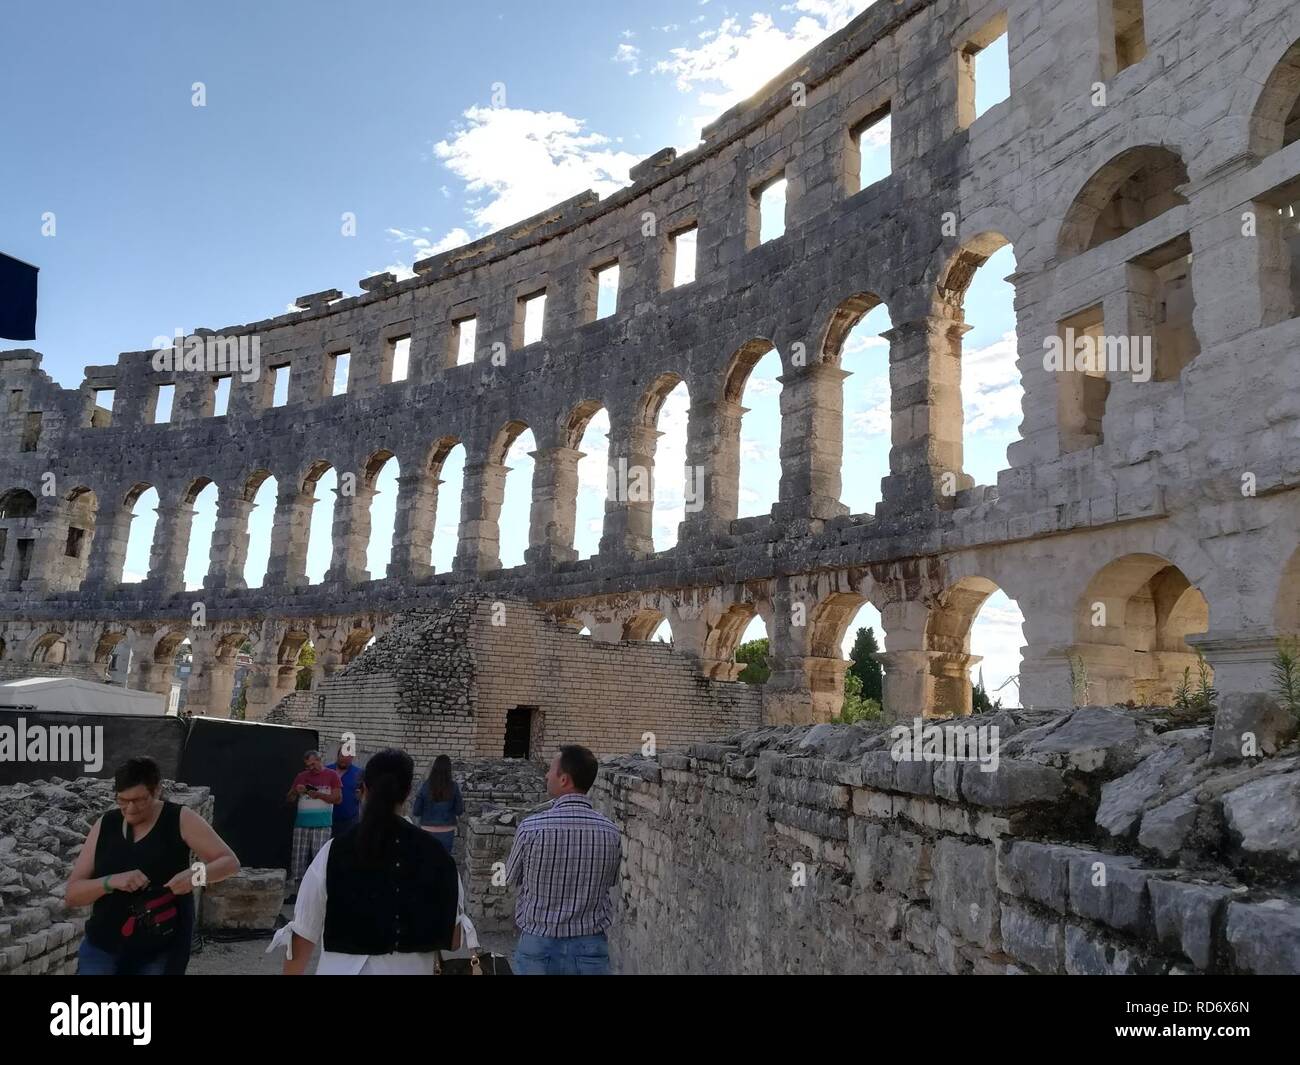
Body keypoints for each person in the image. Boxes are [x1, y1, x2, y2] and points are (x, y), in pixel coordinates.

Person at [269, 748, 461, 974]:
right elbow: (454, 938)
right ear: (407, 792)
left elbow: (303, 934)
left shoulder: (334, 852)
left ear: (365, 789)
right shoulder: (438, 856)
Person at [65, 756, 241, 975]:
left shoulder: (179, 818)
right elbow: (73, 894)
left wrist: (194, 876)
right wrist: (111, 882)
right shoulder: (106, 824)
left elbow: (229, 862)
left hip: (158, 948)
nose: (130, 809)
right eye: (122, 801)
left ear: (157, 790)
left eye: (139, 800)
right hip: (103, 946)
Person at [505, 744, 621, 975]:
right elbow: (610, 882)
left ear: (564, 780)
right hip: (590, 945)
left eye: (550, 770)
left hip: (539, 943)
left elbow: (510, 877)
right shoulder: (611, 831)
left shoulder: (531, 828)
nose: (547, 775)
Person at [286, 750, 341, 899]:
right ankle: (297, 893)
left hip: (322, 824)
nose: (311, 768)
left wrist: (316, 793)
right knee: (298, 858)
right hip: (302, 824)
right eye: (308, 766)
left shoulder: (332, 775)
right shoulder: (301, 777)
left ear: (319, 760)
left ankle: (317, 893)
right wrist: (295, 792)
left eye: (313, 764)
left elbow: (337, 799)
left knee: (319, 858)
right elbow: (289, 799)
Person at [410, 755, 464, 855]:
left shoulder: (426, 786)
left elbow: (416, 811)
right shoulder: (454, 787)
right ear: (449, 770)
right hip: (447, 832)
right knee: (443, 863)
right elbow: (459, 810)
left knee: (427, 862)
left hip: (427, 831)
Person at [327, 747, 363, 838]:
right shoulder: (327, 771)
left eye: (348, 757)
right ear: (337, 755)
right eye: (342, 756)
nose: (344, 760)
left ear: (352, 758)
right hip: (327, 820)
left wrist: (360, 796)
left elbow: (366, 794)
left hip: (350, 821)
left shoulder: (359, 773)